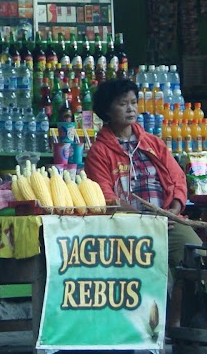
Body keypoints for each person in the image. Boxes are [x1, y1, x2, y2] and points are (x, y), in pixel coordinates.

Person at [83, 78, 198, 270]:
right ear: (107, 111)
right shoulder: (99, 151)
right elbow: (106, 197)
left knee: (196, 258)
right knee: (154, 278)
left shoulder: (153, 143)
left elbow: (178, 179)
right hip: (127, 228)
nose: (131, 109)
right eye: (122, 104)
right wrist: (142, 220)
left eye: (133, 102)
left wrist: (174, 212)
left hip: (166, 222)